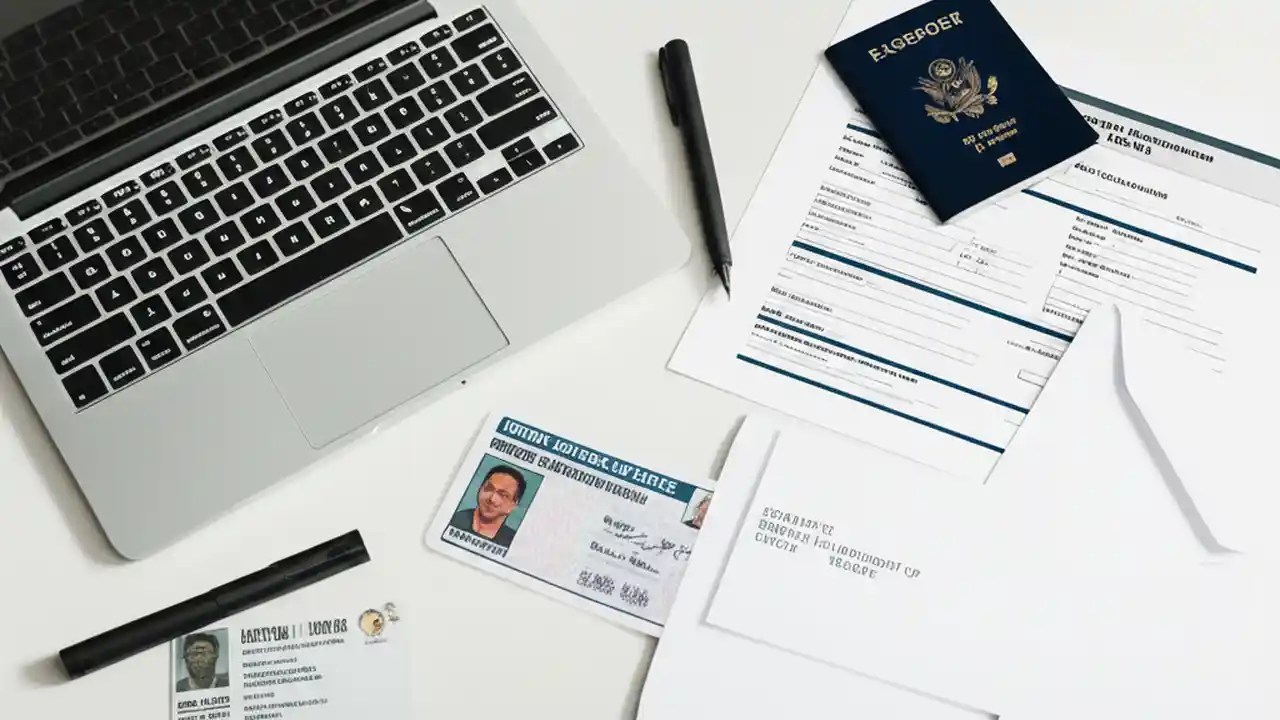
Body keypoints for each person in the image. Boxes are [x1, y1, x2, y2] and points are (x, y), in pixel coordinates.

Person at [449, 465, 527, 548]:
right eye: (489, 488)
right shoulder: (453, 519)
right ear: (480, 488)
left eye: (503, 495)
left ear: (513, 505)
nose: (492, 499)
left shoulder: (513, 543)